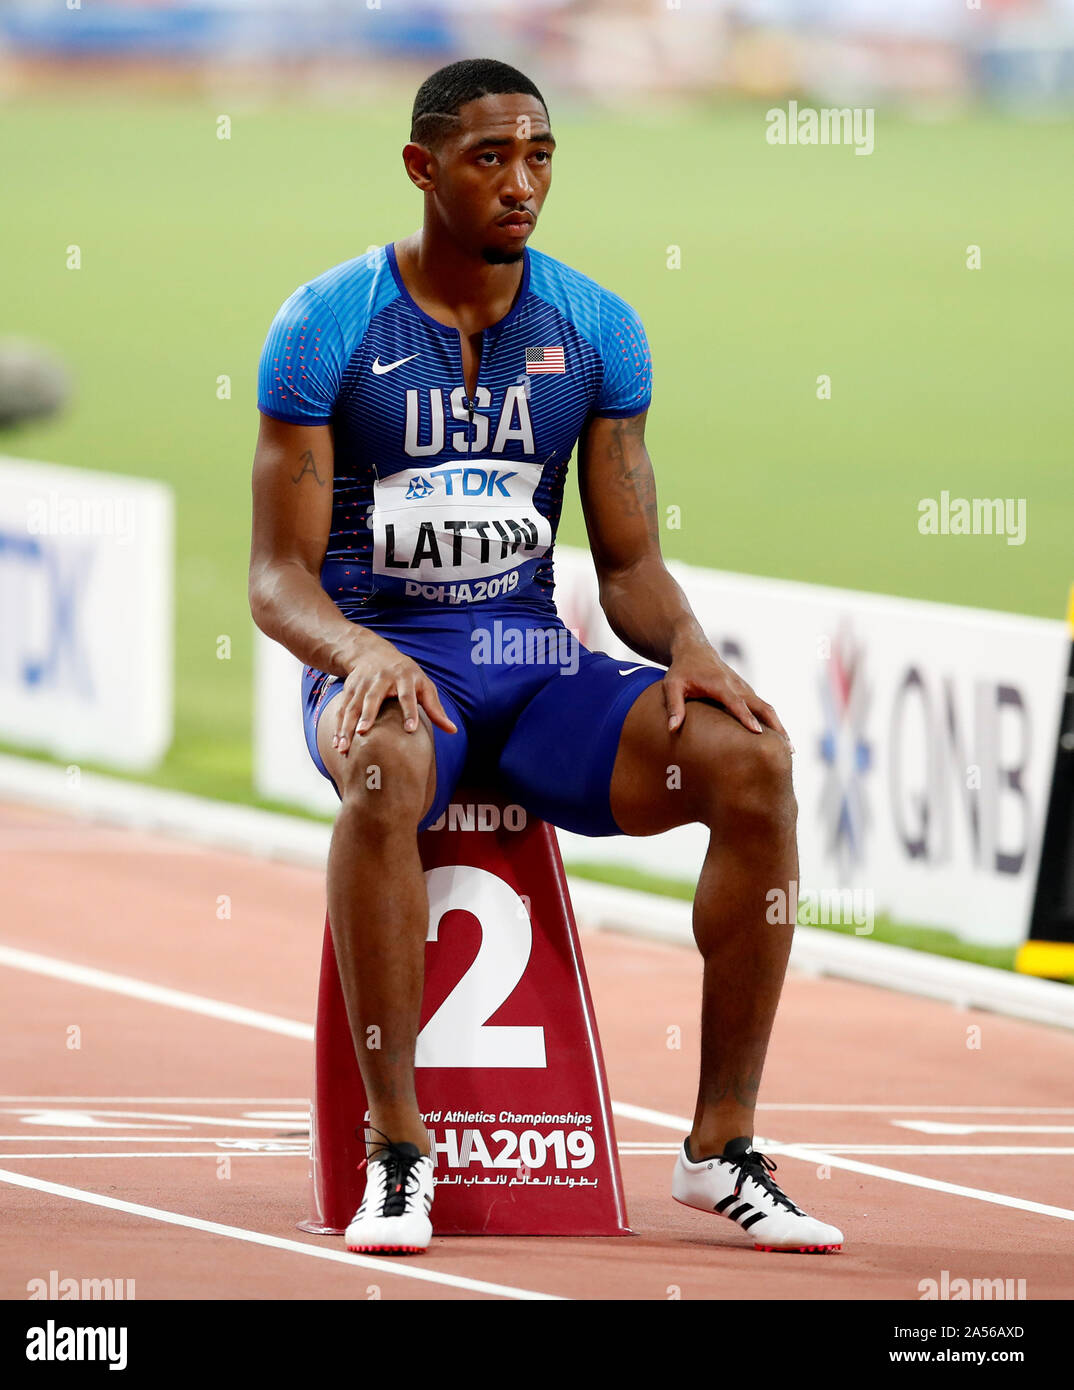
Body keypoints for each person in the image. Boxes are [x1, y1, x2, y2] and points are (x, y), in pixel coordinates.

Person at [249, 58, 843, 1257]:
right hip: (389, 661)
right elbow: (275, 577)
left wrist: (692, 648)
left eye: (541, 156)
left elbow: (627, 567)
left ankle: (718, 1149)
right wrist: (355, 649)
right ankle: (400, 1151)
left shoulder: (595, 330)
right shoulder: (329, 328)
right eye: (490, 158)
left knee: (755, 767)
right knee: (384, 764)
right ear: (421, 168)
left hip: (533, 668)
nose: (523, 183)